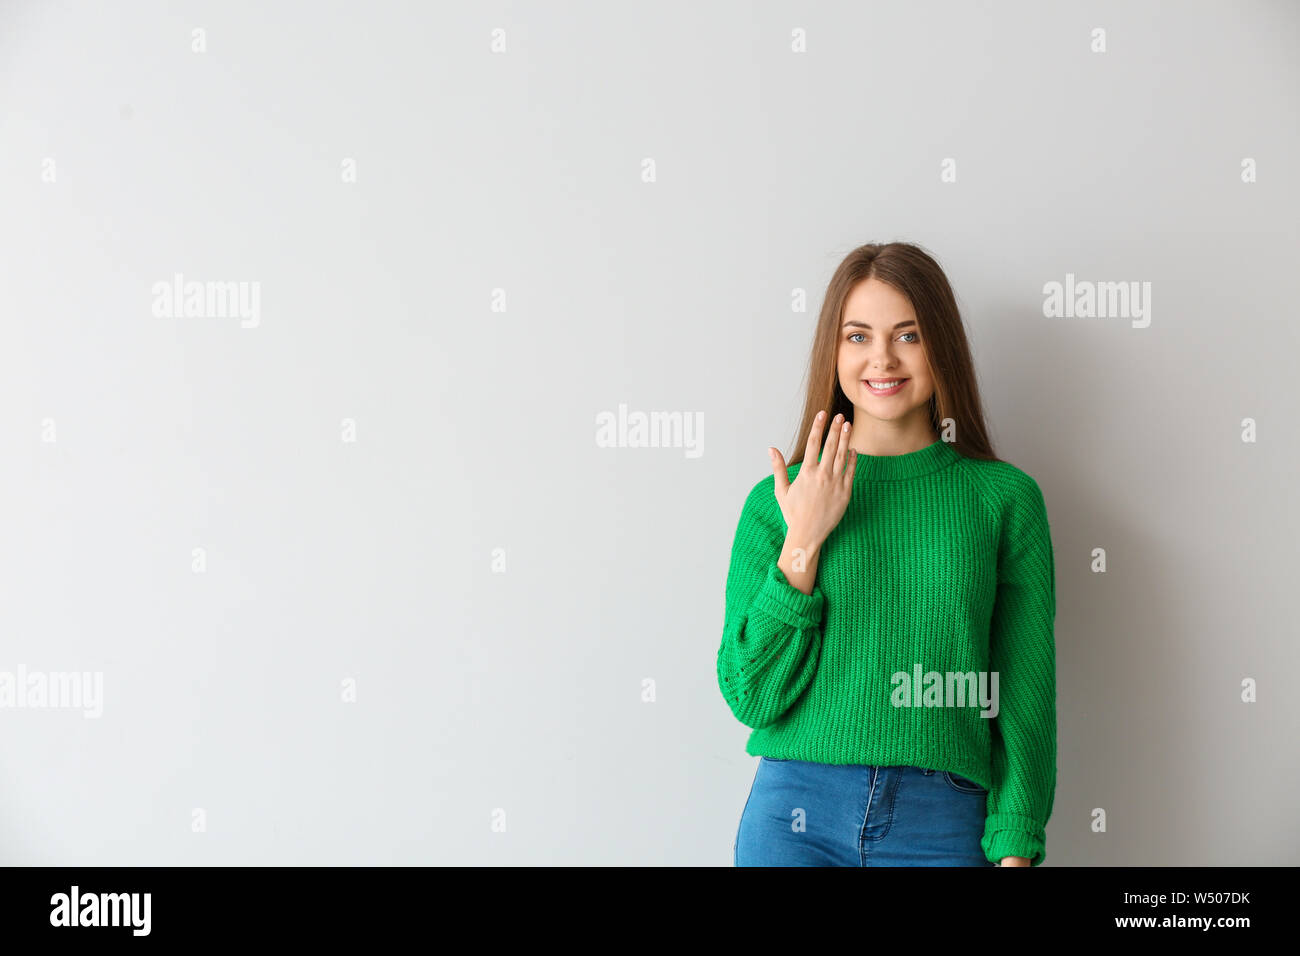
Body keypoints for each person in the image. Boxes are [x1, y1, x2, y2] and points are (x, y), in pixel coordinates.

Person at [720, 241, 1057, 867]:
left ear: (941, 348)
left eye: (908, 335)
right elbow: (751, 695)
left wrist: (1016, 839)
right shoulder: (777, 505)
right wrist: (804, 541)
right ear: (835, 350)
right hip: (795, 814)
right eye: (857, 337)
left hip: (945, 819)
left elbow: (1024, 689)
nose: (881, 358)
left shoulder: (1003, 500)